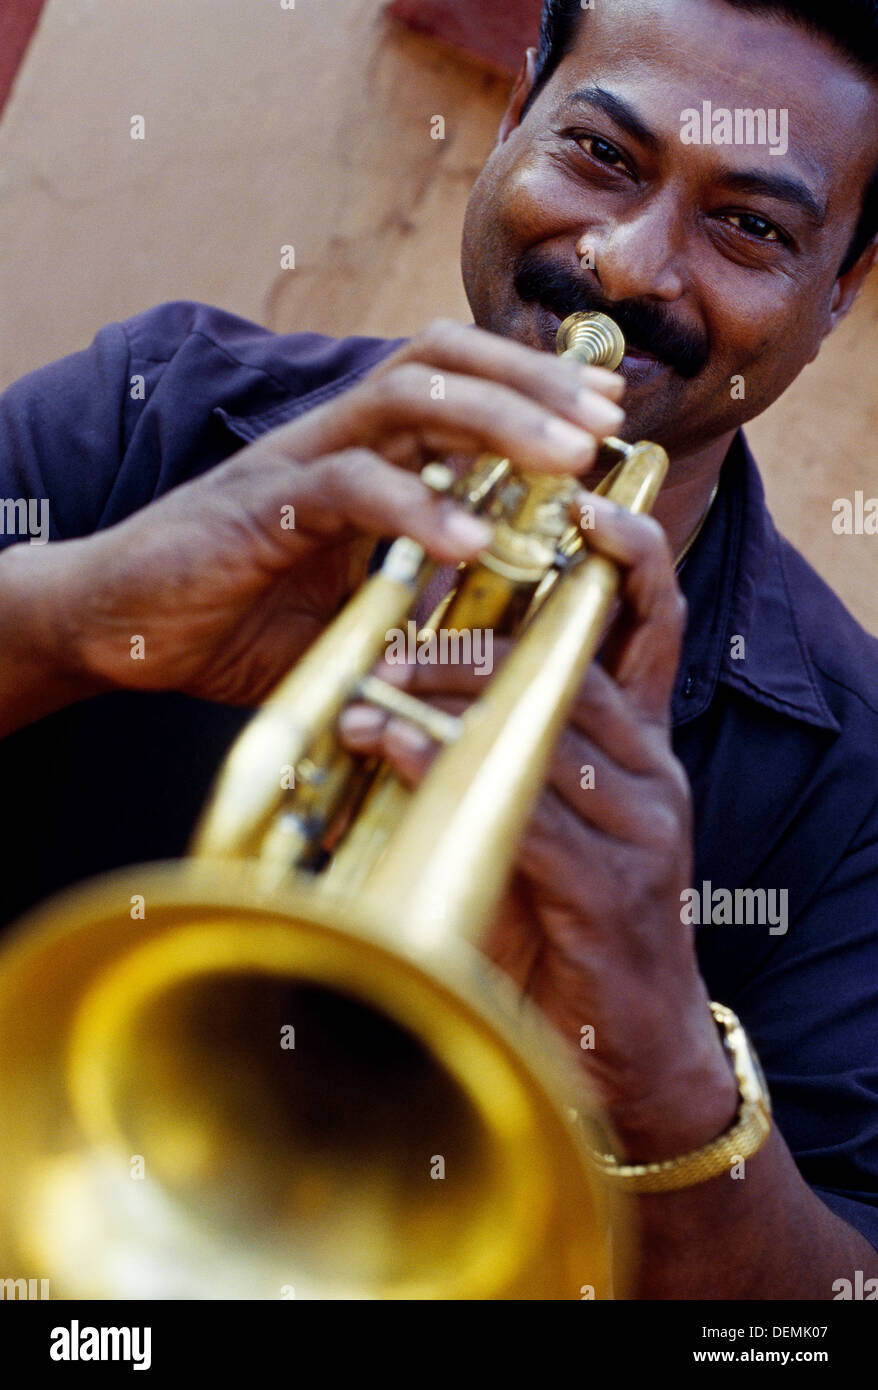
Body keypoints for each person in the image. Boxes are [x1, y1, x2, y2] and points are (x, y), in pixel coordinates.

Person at [1, 0, 877, 1298]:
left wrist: (666, 1069)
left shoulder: (849, 770)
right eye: (601, 156)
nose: (630, 268)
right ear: (516, 109)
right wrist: (68, 616)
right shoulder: (161, 407)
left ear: (836, 292)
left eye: (748, 226)